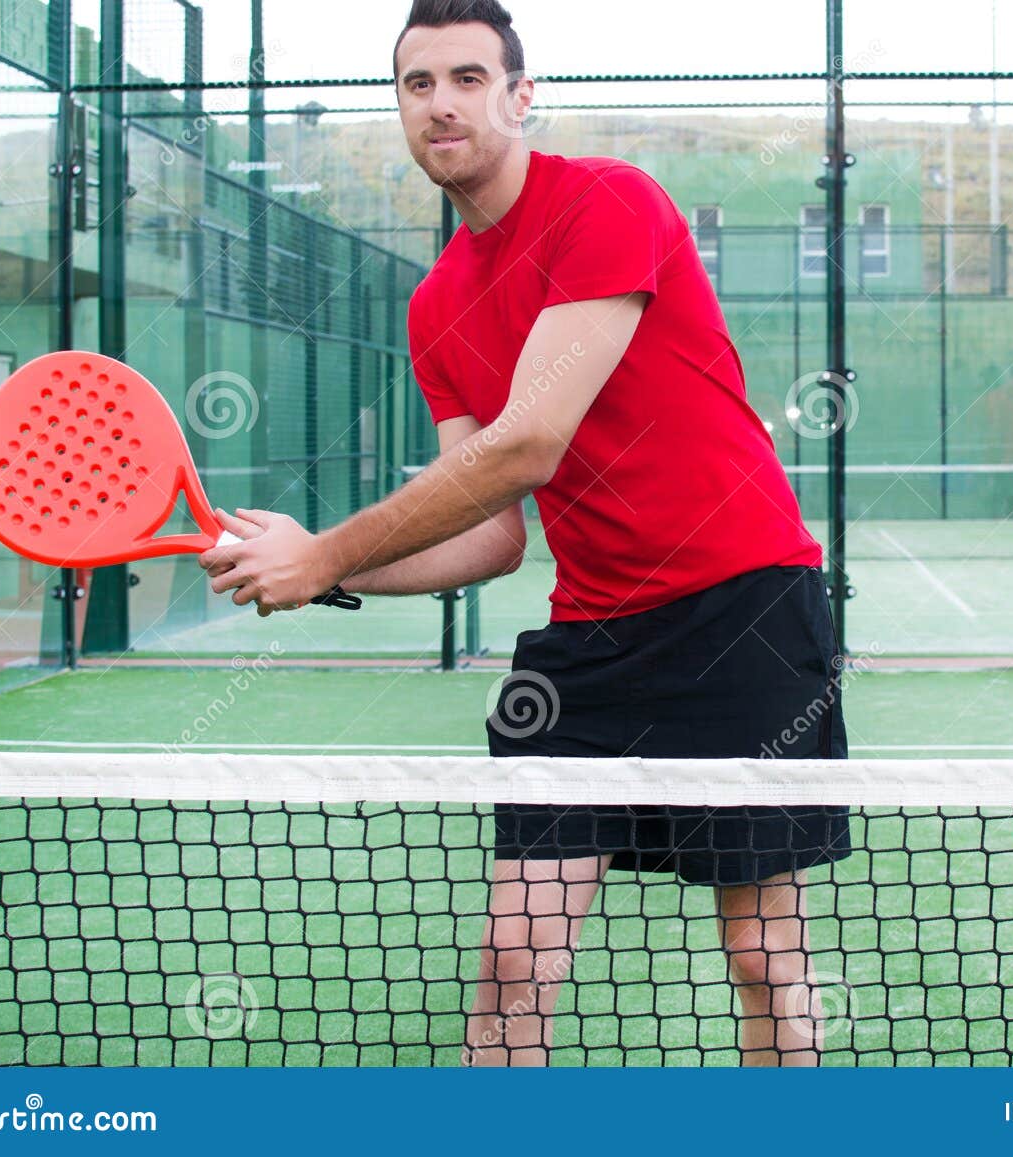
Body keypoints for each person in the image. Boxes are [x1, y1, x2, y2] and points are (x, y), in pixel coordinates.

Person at [202, 0, 850, 1065]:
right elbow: (495, 534)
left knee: (760, 955)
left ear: (519, 93)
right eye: (418, 85)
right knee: (513, 955)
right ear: (401, 109)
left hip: (743, 606)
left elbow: (524, 444)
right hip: (587, 643)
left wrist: (324, 551)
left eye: (467, 78)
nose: (441, 104)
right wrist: (315, 571)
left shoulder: (607, 203)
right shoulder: (438, 305)